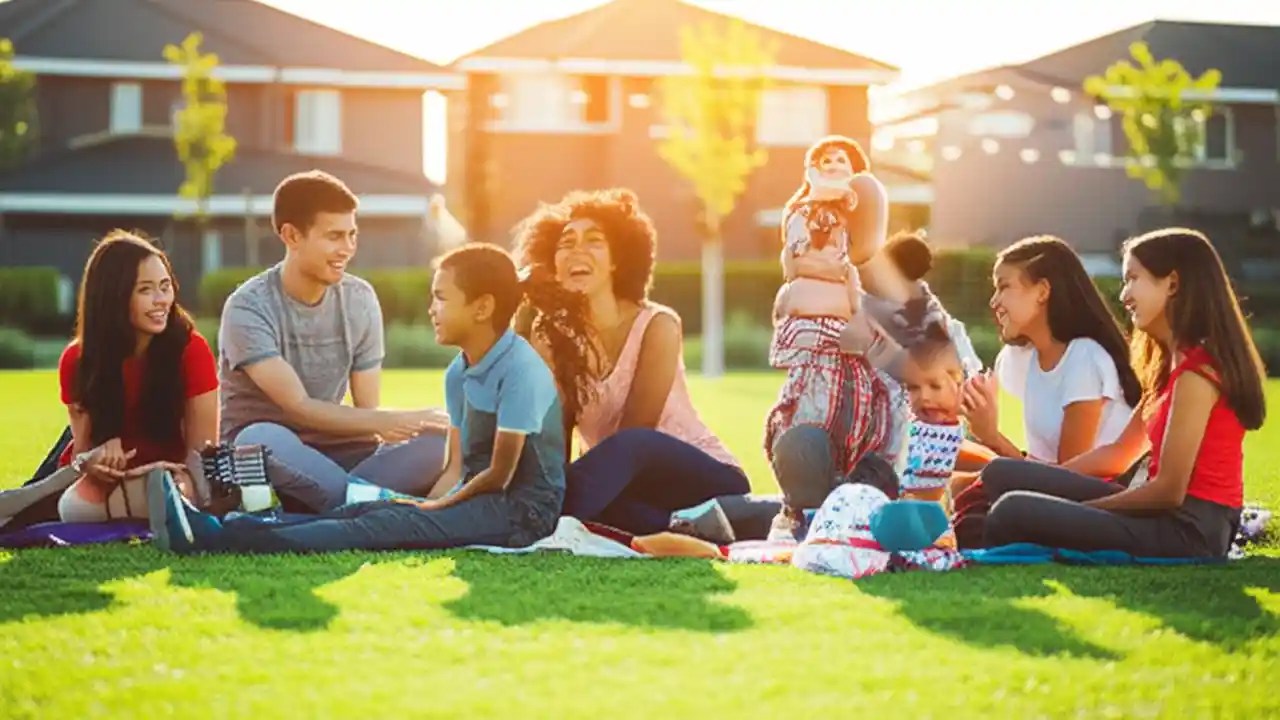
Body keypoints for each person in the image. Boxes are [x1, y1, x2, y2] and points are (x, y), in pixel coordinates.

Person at [149, 244, 588, 554]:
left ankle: (217, 539)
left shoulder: (522, 372)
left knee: (387, 523)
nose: (431, 308)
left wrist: (433, 510)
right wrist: (422, 507)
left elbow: (499, 473)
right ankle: (236, 525)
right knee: (374, 508)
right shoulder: (459, 372)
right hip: (477, 500)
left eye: (440, 297)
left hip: (522, 514)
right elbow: (456, 466)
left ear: (482, 307)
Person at [980, 228, 1266, 558]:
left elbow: (1170, 491)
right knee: (1002, 473)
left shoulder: (1197, 375)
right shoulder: (1169, 368)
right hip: (1164, 514)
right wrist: (1041, 479)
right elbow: (1119, 453)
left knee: (1012, 511)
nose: (1123, 295)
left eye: (1133, 279)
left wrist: (1092, 509)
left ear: (1172, 284)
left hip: (1190, 530)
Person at [512, 188, 751, 537]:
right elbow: (553, 433)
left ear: (617, 259)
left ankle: (533, 513)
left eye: (593, 240)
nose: (577, 250)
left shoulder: (657, 325)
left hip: (703, 476)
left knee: (631, 444)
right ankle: (682, 527)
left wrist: (555, 489)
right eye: (566, 243)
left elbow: (636, 431)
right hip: (623, 488)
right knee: (602, 504)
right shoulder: (551, 336)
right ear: (552, 263)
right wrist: (525, 312)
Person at [218, 171, 448, 513]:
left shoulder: (360, 299)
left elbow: (367, 410)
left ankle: (343, 500)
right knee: (258, 439)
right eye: (335, 236)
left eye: (352, 235)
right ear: (292, 235)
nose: (348, 248)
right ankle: (369, 503)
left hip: (343, 454)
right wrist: (393, 421)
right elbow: (298, 406)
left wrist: (417, 423)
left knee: (444, 436)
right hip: (274, 451)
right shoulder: (248, 306)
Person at [55, 231, 219, 522]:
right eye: (145, 290)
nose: (161, 301)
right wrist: (94, 462)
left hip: (173, 475)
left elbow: (201, 455)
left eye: (165, 286)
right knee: (73, 509)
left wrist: (175, 481)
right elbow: (81, 452)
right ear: (114, 296)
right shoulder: (77, 360)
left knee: (180, 492)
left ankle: (166, 507)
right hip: (109, 482)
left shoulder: (191, 350)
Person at [961, 235, 1142, 466]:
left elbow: (1065, 477)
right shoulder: (1016, 359)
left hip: (1091, 493)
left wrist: (991, 435)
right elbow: (1022, 458)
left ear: (1043, 291)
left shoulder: (1083, 357)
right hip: (1040, 485)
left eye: (1004, 286)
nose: (994, 302)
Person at [771, 135, 876, 326]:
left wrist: (816, 180)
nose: (833, 165)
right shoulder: (799, 210)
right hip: (800, 310)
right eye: (826, 161)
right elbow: (791, 259)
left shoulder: (855, 204)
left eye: (841, 160)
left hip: (840, 312)